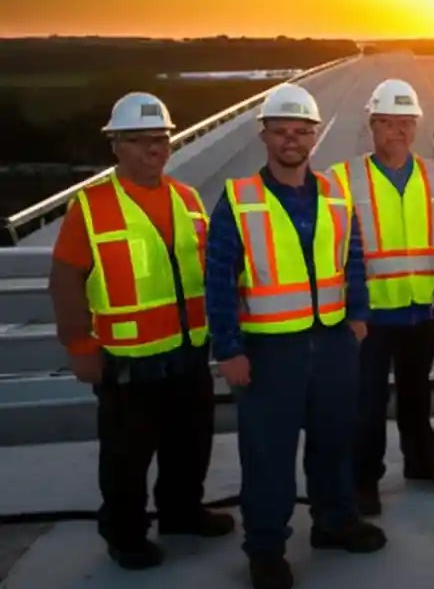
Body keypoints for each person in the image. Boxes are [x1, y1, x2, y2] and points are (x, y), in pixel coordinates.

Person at [205, 84, 385, 589]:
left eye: (302, 131)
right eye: (282, 131)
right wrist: (229, 348)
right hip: (268, 349)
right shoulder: (240, 200)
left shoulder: (333, 194)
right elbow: (219, 278)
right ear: (265, 136)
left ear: (314, 136)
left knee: (334, 440)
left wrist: (357, 314)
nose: (292, 140)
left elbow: (352, 258)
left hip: (331, 342)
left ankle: (335, 521)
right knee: (268, 453)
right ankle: (266, 549)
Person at [48, 92, 233, 570]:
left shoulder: (188, 200)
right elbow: (65, 280)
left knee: (190, 445)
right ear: (116, 146)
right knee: (126, 457)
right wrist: (79, 345)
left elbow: (213, 269)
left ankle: (182, 513)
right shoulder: (90, 208)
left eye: (160, 140)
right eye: (139, 142)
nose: (153, 150)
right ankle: (125, 534)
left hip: (189, 349)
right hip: (127, 358)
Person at [328, 79, 434, 518]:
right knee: (365, 404)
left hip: (419, 311)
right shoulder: (343, 178)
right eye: (388, 123)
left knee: (416, 395)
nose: (398, 132)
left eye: (407, 123)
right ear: (372, 125)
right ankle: (364, 480)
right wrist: (352, 309)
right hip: (368, 316)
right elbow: (332, 252)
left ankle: (420, 462)